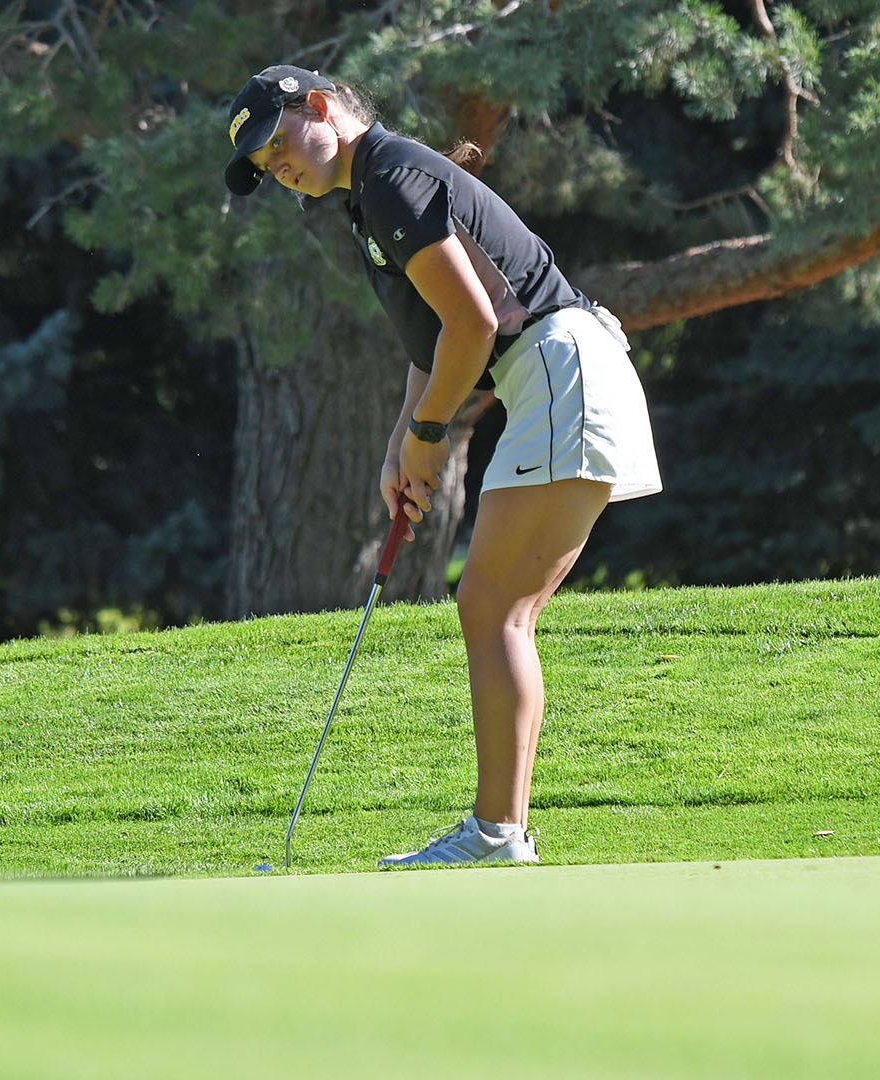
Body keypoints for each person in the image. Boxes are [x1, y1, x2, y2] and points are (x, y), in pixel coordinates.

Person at [224, 66, 662, 867]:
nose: (275, 166)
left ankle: (498, 834)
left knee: (493, 604)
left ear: (320, 108)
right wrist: (403, 444)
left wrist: (430, 434)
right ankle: (501, 832)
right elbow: (433, 344)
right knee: (496, 607)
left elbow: (473, 323)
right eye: (263, 165)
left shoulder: (391, 177)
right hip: (559, 376)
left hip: (561, 368)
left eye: (277, 142)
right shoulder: (374, 195)